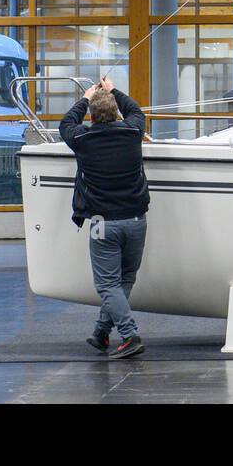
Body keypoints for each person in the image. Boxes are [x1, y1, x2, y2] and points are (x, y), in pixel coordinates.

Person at [58, 77, 150, 360]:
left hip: (102, 225)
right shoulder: (133, 131)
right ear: (116, 112)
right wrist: (112, 90)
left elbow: (65, 124)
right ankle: (101, 332)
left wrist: (85, 98)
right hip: (136, 221)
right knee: (124, 279)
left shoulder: (83, 139)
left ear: (92, 116)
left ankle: (130, 334)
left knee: (108, 284)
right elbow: (136, 111)